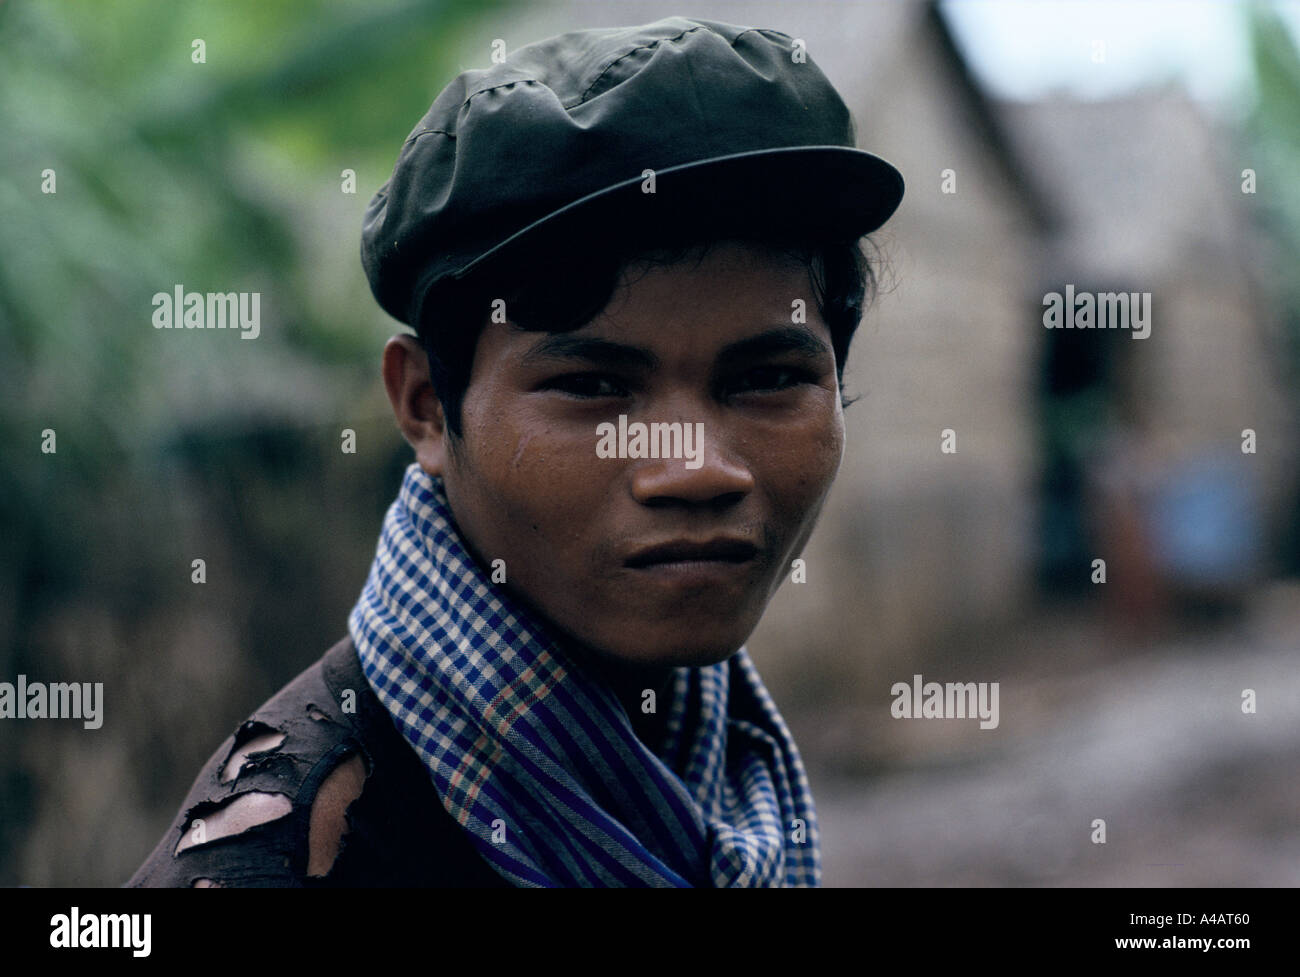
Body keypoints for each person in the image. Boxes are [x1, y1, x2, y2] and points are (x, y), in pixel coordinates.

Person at [128, 15, 903, 888]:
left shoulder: (710, 758)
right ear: (426, 407)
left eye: (767, 378)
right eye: (594, 386)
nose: (697, 468)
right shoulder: (284, 858)